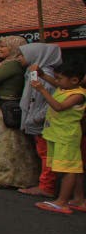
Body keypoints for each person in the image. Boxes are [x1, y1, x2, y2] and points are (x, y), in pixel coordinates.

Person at [0, 36, 38, 189]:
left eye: (3, 46)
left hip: (2, 108)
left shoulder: (12, 65)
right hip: (0, 106)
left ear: (14, 48)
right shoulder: (6, 64)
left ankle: (2, 176)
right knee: (12, 144)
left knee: (3, 144)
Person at [28, 60, 86, 214]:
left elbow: (59, 107)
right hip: (57, 133)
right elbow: (55, 83)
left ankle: (62, 202)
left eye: (60, 78)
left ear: (74, 80)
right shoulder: (65, 88)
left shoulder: (78, 95)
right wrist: (42, 75)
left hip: (66, 136)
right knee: (74, 167)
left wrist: (42, 90)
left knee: (68, 170)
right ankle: (79, 199)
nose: (57, 82)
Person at [16, 43, 62, 197]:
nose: (19, 58)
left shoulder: (45, 76)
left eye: (21, 55)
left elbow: (47, 101)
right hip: (36, 119)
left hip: (41, 122)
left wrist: (34, 118)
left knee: (46, 153)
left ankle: (47, 186)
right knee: (43, 152)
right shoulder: (33, 73)